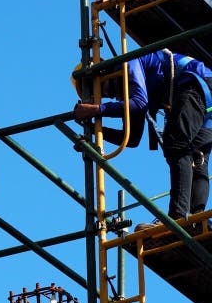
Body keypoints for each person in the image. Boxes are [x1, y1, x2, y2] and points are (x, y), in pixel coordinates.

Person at [74, 50, 212, 223]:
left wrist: (97, 110)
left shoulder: (128, 62)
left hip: (194, 83)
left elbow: (139, 104)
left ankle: (177, 216)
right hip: (204, 92)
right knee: (197, 161)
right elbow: (131, 138)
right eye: (102, 95)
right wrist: (94, 128)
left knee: (177, 145)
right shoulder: (131, 92)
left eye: (103, 88)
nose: (109, 95)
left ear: (104, 71)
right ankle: (197, 220)